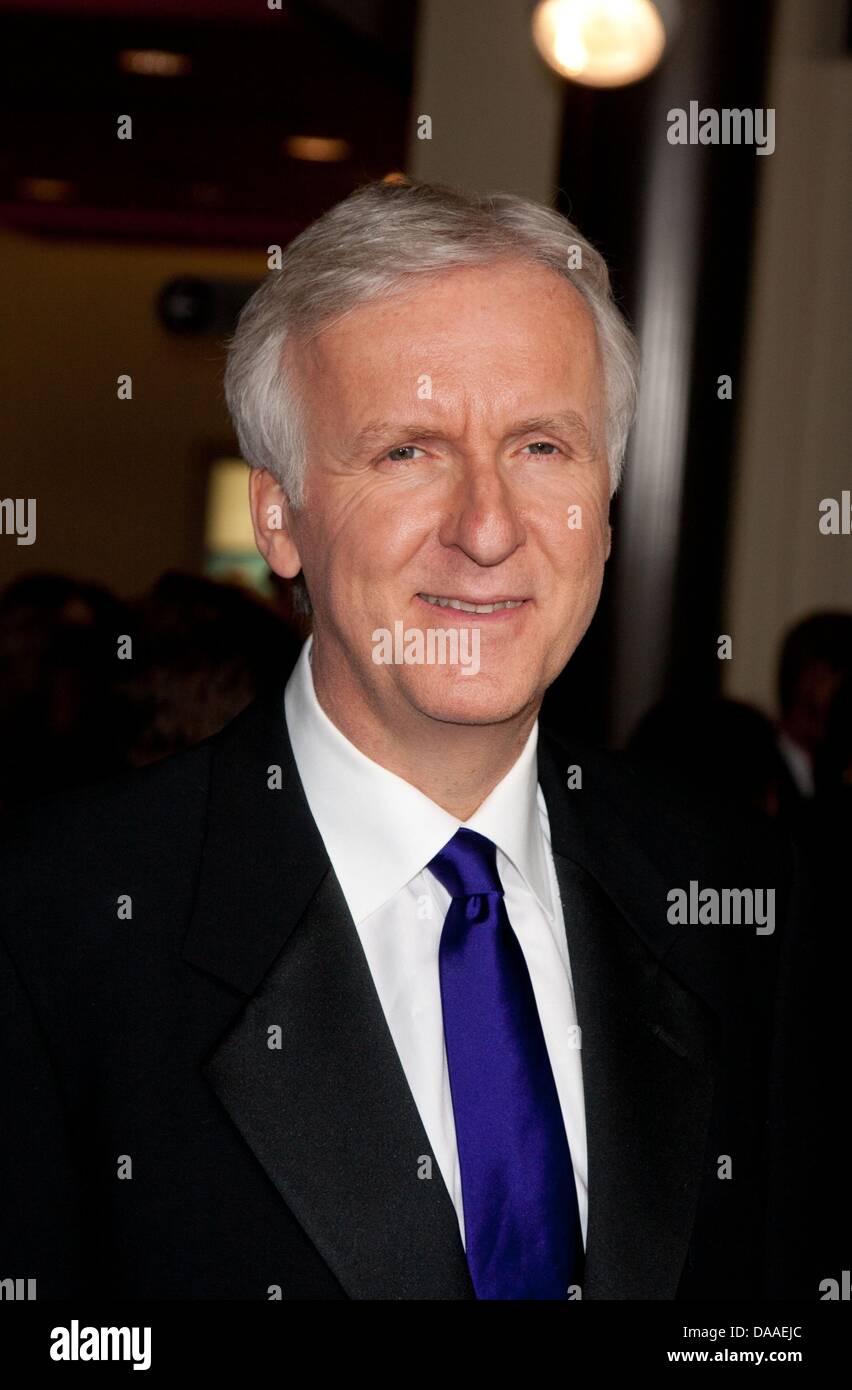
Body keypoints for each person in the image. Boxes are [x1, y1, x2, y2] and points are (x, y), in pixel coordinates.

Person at [0, 181, 805, 1300]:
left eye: (540, 446)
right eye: (408, 453)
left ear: (607, 503)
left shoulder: (746, 901)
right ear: (277, 515)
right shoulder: (54, 924)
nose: (487, 529)